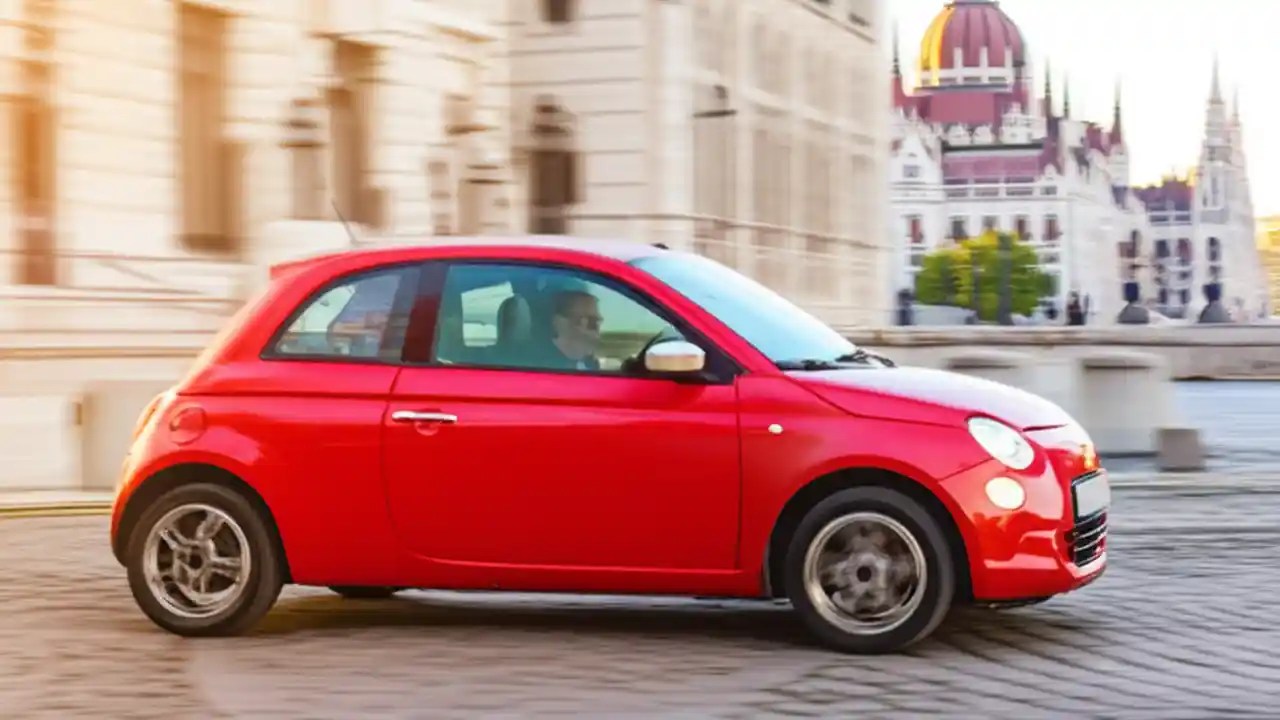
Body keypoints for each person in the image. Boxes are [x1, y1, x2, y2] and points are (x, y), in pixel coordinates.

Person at [532, 289, 603, 370]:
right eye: (592, 322)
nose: (597, 331)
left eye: (598, 322)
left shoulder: (591, 365)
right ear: (559, 322)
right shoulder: (538, 367)